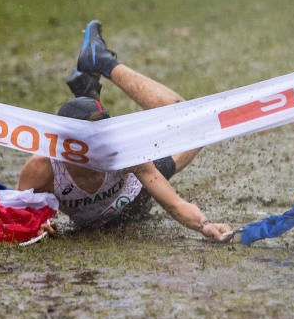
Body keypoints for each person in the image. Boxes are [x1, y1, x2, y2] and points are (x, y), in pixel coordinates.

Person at [18, 21, 233, 242]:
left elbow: (175, 204)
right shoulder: (42, 167)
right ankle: (89, 85)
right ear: (66, 144)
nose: (102, 145)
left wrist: (206, 226)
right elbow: (17, 214)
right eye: (93, 139)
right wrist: (37, 224)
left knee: (193, 122)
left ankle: (102, 62)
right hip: (99, 221)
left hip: (136, 196)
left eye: (105, 134)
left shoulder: (122, 150)